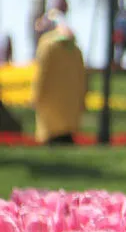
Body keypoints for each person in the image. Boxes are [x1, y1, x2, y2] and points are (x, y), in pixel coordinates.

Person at [32, 12, 87, 145]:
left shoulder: (47, 46)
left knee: (52, 137)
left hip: (50, 105)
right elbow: (82, 78)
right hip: (71, 105)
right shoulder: (75, 49)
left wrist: (36, 95)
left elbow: (42, 75)